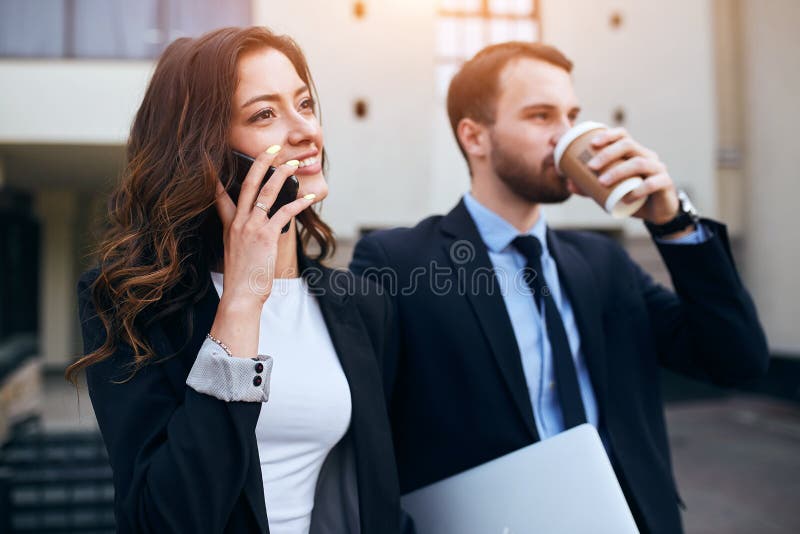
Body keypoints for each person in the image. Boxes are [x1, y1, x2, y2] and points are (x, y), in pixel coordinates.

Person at [350, 41, 768, 534]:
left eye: (571, 115)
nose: (566, 135)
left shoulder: (605, 263)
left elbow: (736, 359)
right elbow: (367, 437)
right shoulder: (400, 262)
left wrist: (673, 222)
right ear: (475, 137)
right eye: (541, 116)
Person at [70, 27, 410, 534]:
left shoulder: (359, 303)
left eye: (305, 104)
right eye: (264, 114)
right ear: (203, 153)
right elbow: (162, 519)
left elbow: (379, 491)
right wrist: (242, 304)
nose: (305, 131)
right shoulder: (131, 304)